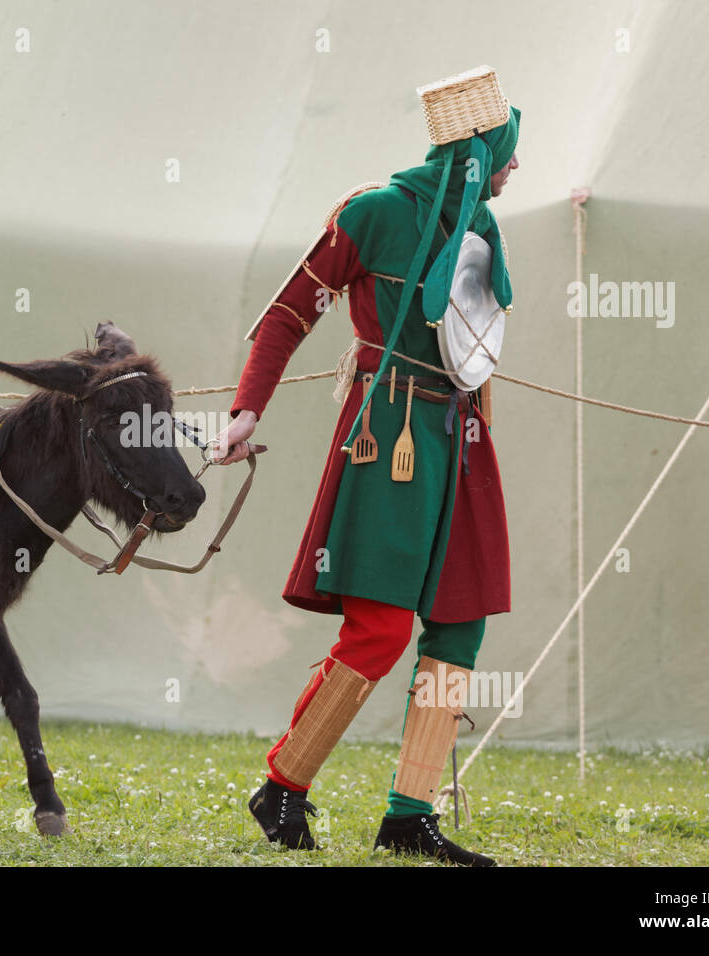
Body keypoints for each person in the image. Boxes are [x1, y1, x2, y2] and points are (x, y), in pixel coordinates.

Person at [213, 67, 520, 866]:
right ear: (483, 154)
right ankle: (283, 785)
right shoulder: (374, 212)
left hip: (462, 442)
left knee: (461, 626)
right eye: (510, 155)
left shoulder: (480, 229)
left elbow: (474, 346)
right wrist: (249, 409)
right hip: (389, 440)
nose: (518, 171)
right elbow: (289, 312)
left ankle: (409, 816)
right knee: (379, 629)